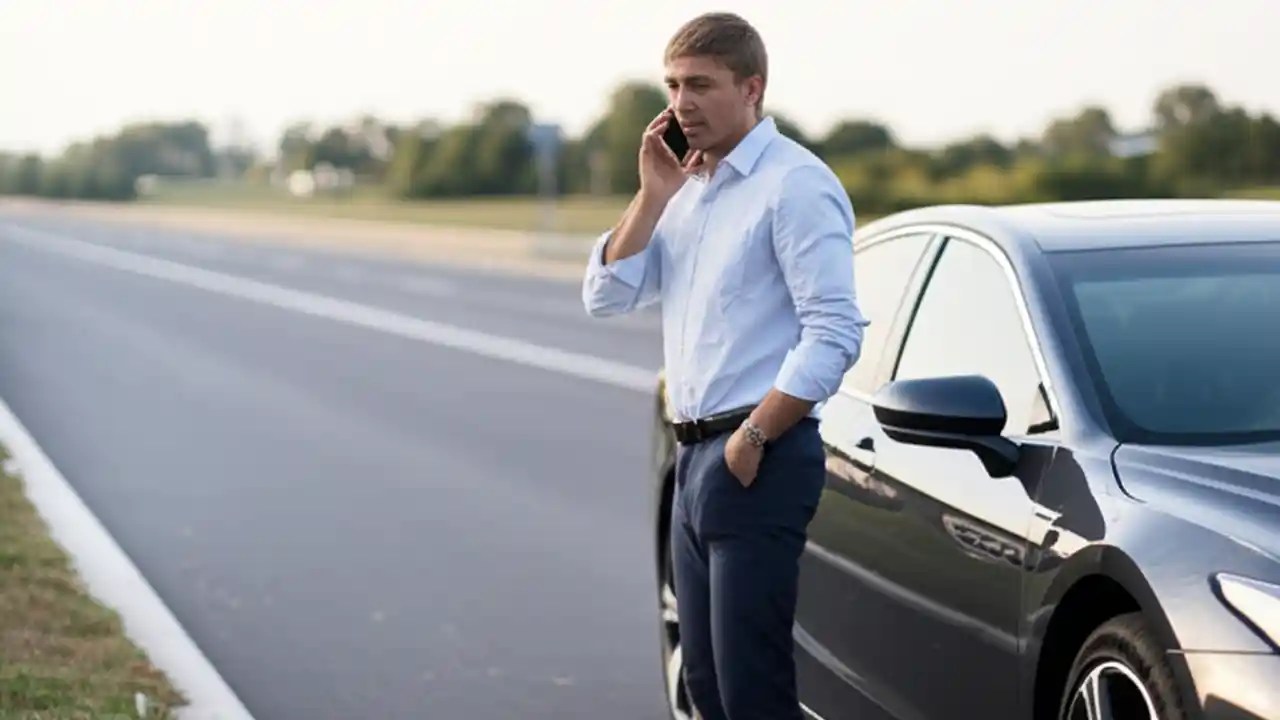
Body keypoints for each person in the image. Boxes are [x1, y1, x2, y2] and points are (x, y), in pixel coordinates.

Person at [581, 11, 866, 720]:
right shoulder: (684, 190)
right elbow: (605, 295)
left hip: (758, 457)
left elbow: (834, 333)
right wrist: (652, 195)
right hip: (691, 463)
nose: (682, 103)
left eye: (701, 85)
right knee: (704, 687)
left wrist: (755, 437)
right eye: (673, 85)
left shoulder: (795, 185)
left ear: (751, 89)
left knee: (751, 691)